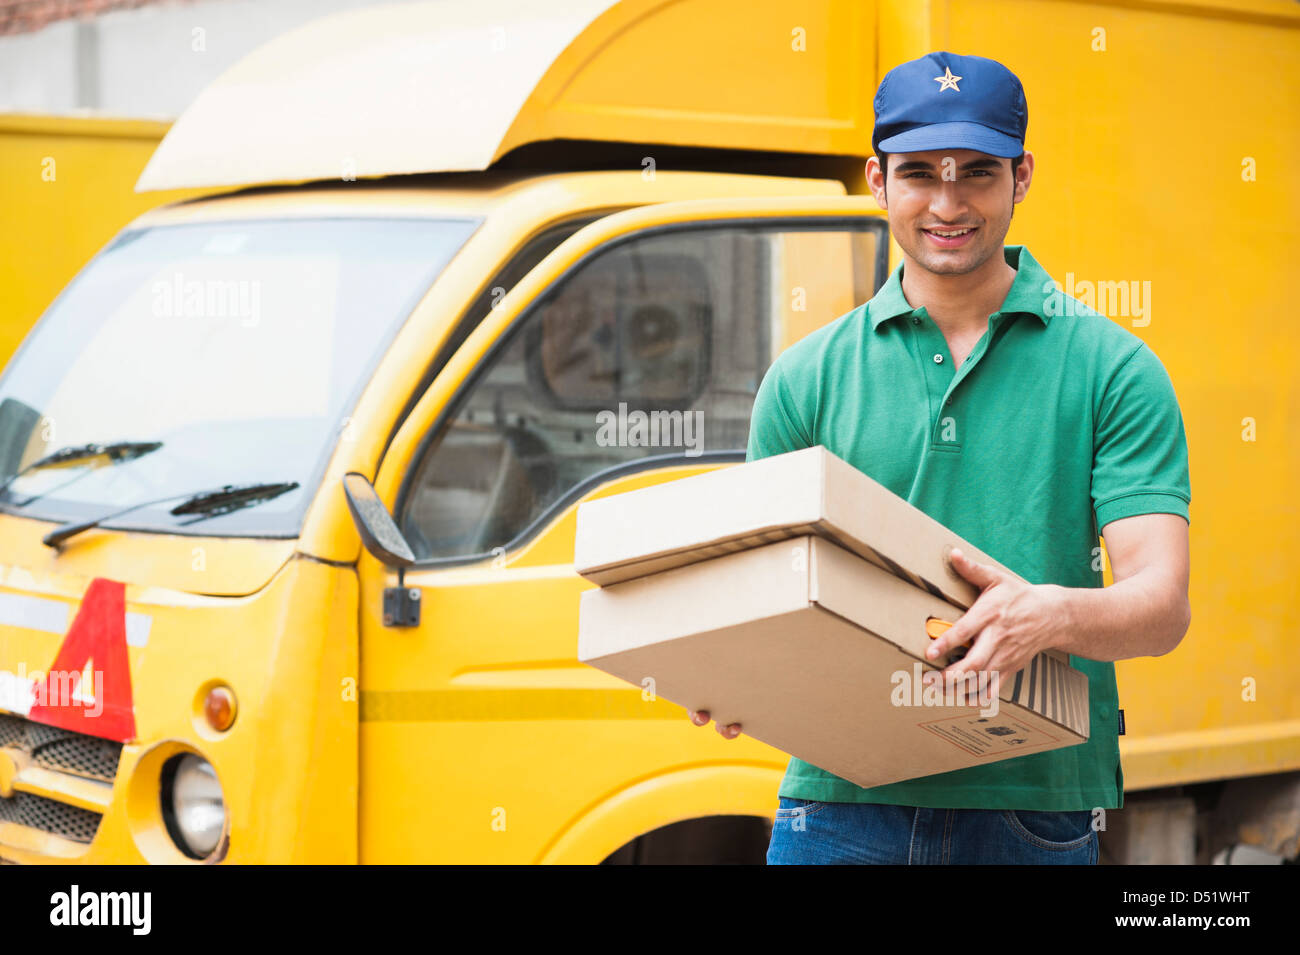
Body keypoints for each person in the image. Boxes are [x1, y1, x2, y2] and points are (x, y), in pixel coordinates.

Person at [689, 51, 1192, 865]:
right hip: (840, 806)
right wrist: (737, 669)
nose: (948, 203)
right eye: (920, 172)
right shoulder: (806, 378)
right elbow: (762, 586)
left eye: (978, 174)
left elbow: (1162, 604)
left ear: (1022, 176)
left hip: (1033, 803)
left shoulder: (1114, 370)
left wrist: (1051, 615)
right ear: (877, 180)